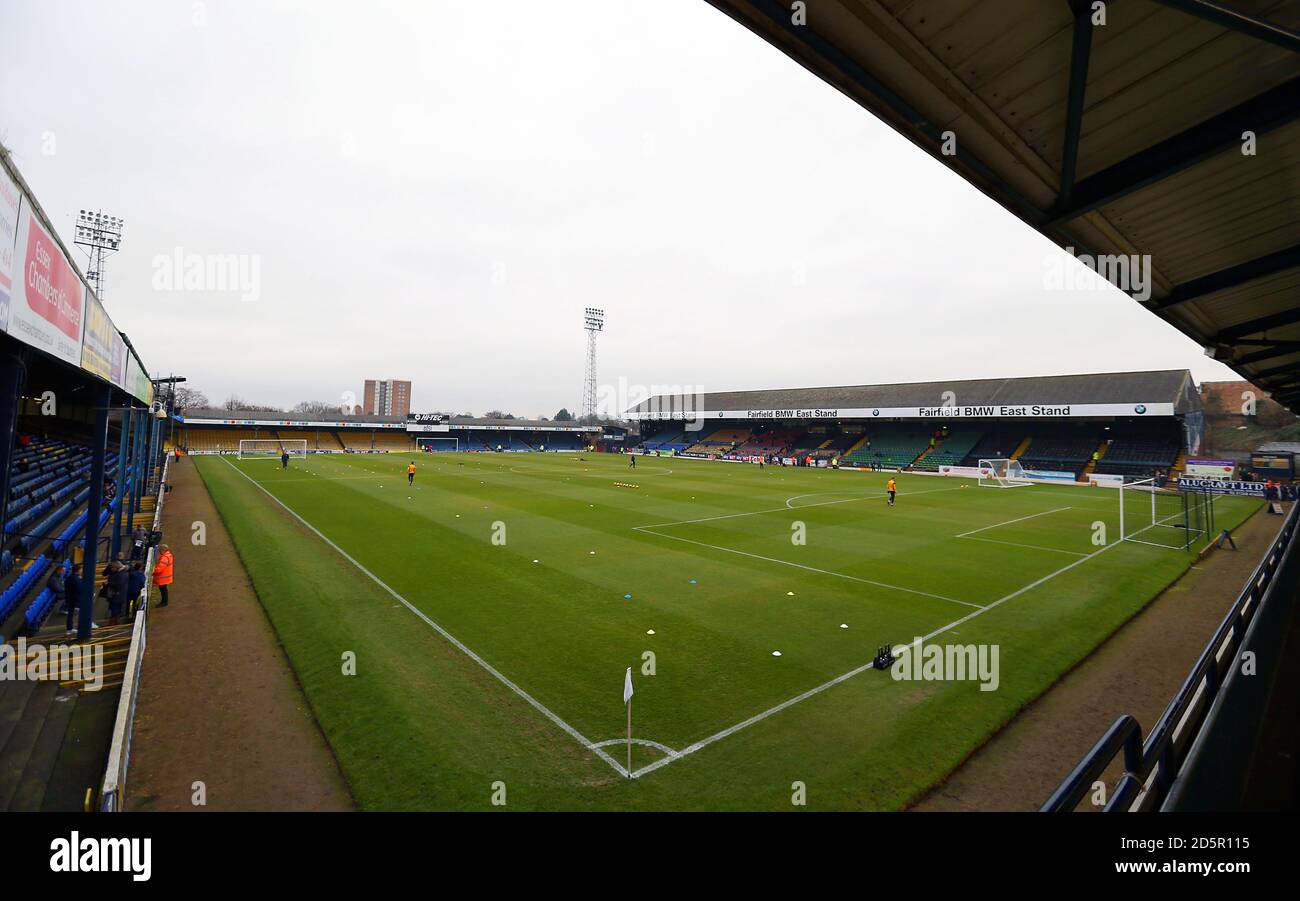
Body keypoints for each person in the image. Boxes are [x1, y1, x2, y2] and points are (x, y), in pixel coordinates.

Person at [64, 563, 88, 636]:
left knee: (71, 614)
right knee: (76, 613)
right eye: (81, 569)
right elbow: (80, 589)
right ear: (77, 570)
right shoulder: (75, 579)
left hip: (70, 598)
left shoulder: (70, 577)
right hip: (75, 599)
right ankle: (85, 625)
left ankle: (69, 629)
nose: (81, 571)